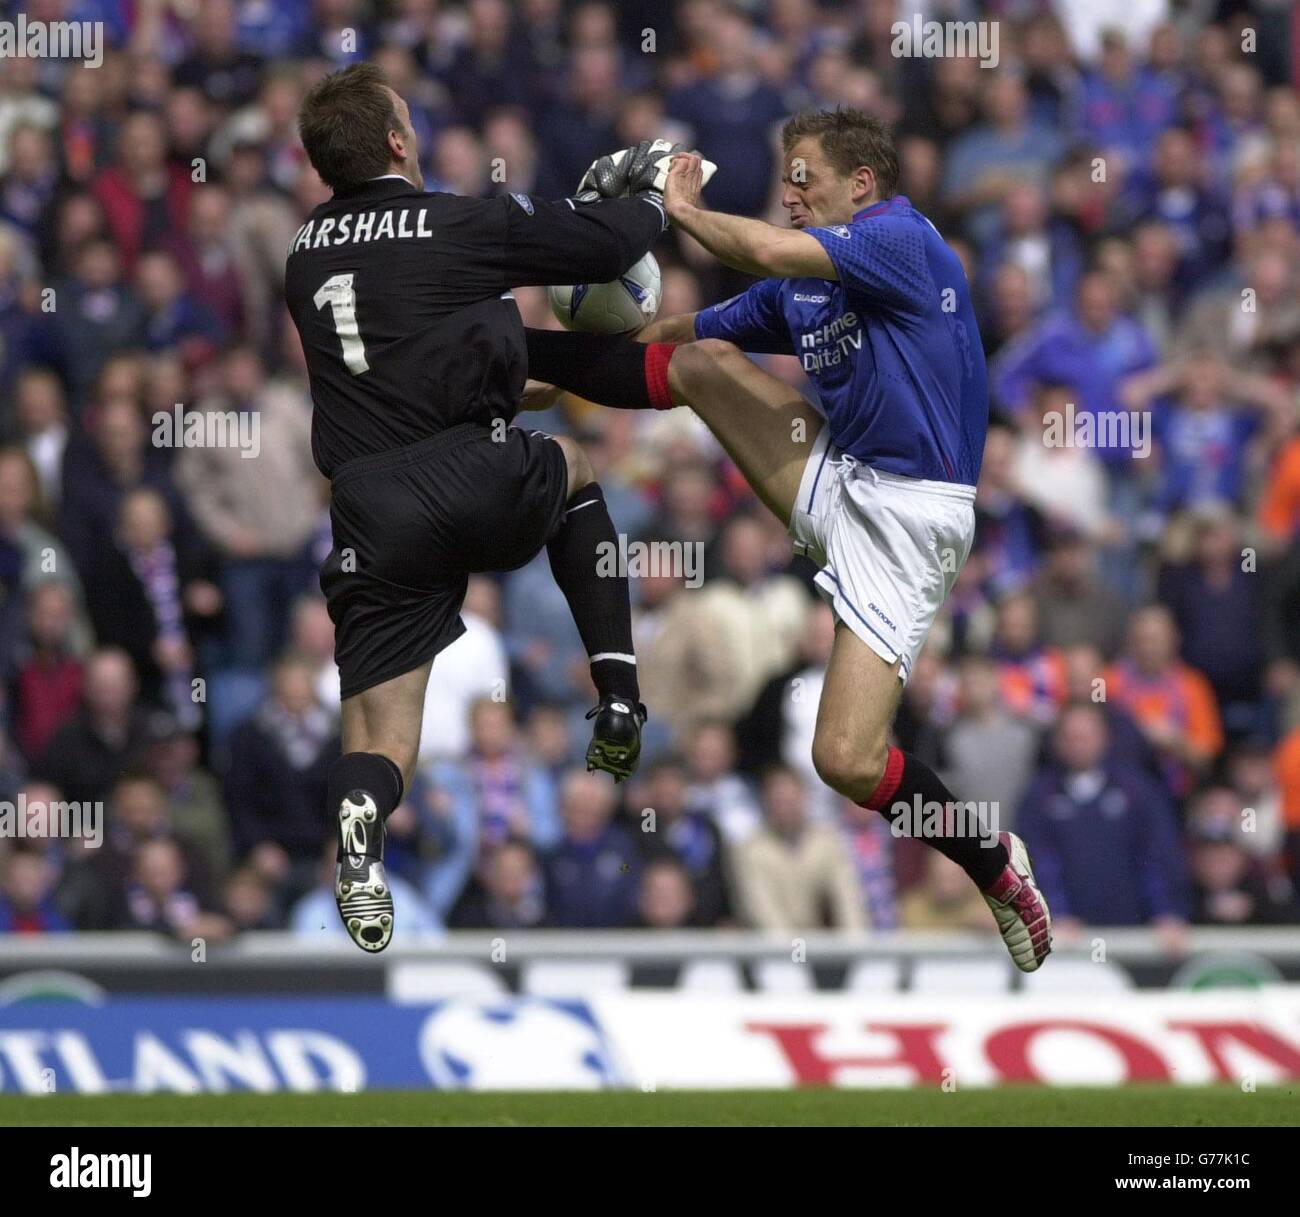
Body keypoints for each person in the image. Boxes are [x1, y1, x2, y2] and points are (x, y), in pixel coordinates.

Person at [528, 108, 1052, 970]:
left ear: (862, 185)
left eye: (804, 176)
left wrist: (678, 207)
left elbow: (763, 249)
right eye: (787, 175)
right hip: (838, 475)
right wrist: (549, 369)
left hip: (914, 519)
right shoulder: (803, 291)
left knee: (844, 759)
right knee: (701, 366)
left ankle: (994, 865)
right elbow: (679, 335)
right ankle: (506, 361)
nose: (789, 191)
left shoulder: (903, 241)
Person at [286, 63, 680, 951]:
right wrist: (659, 198)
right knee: (575, 467)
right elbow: (603, 248)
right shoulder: (449, 220)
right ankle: (618, 697)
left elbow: (414, 345)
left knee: (382, 732)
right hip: (466, 471)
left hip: (366, 508)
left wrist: (502, 363)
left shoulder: (302, 253)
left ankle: (360, 831)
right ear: (396, 139)